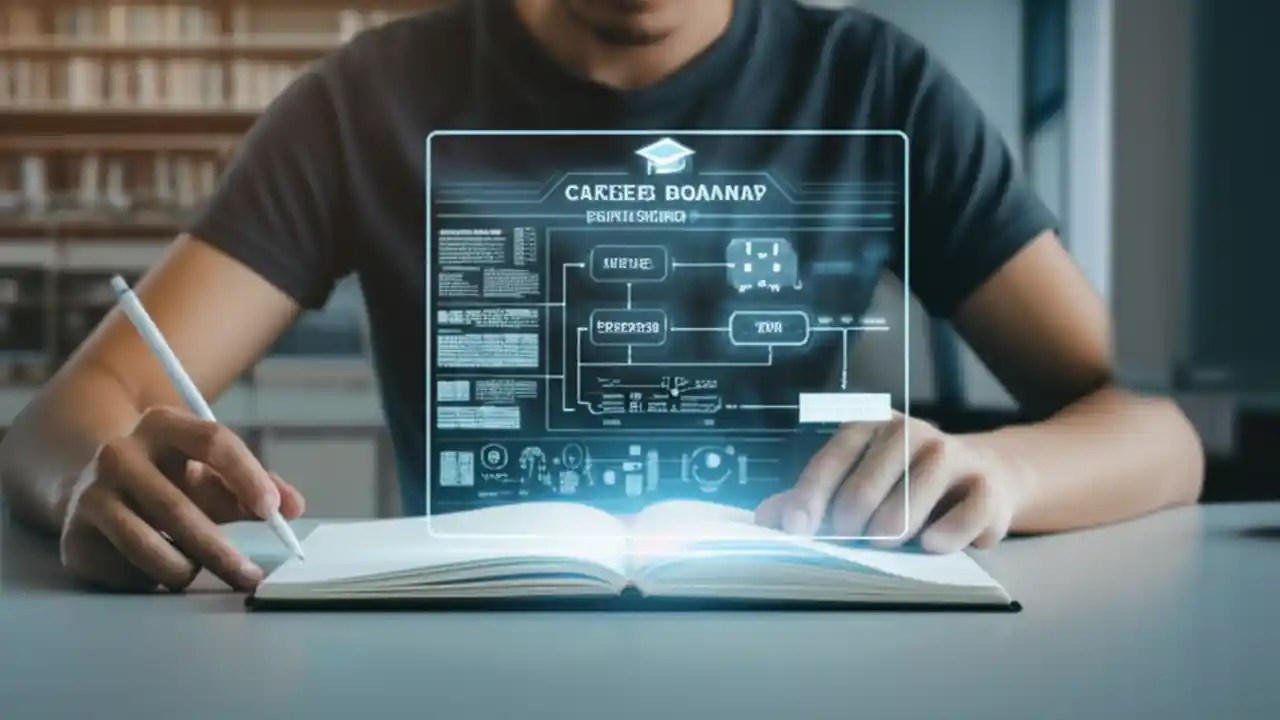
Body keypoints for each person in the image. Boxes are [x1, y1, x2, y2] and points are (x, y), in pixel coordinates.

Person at [0, 0, 1203, 592]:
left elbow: (1147, 425)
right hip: (462, 662)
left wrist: (1012, 470)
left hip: (824, 658)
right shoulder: (363, 98)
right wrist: (92, 475)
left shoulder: (874, 81)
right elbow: (73, 411)